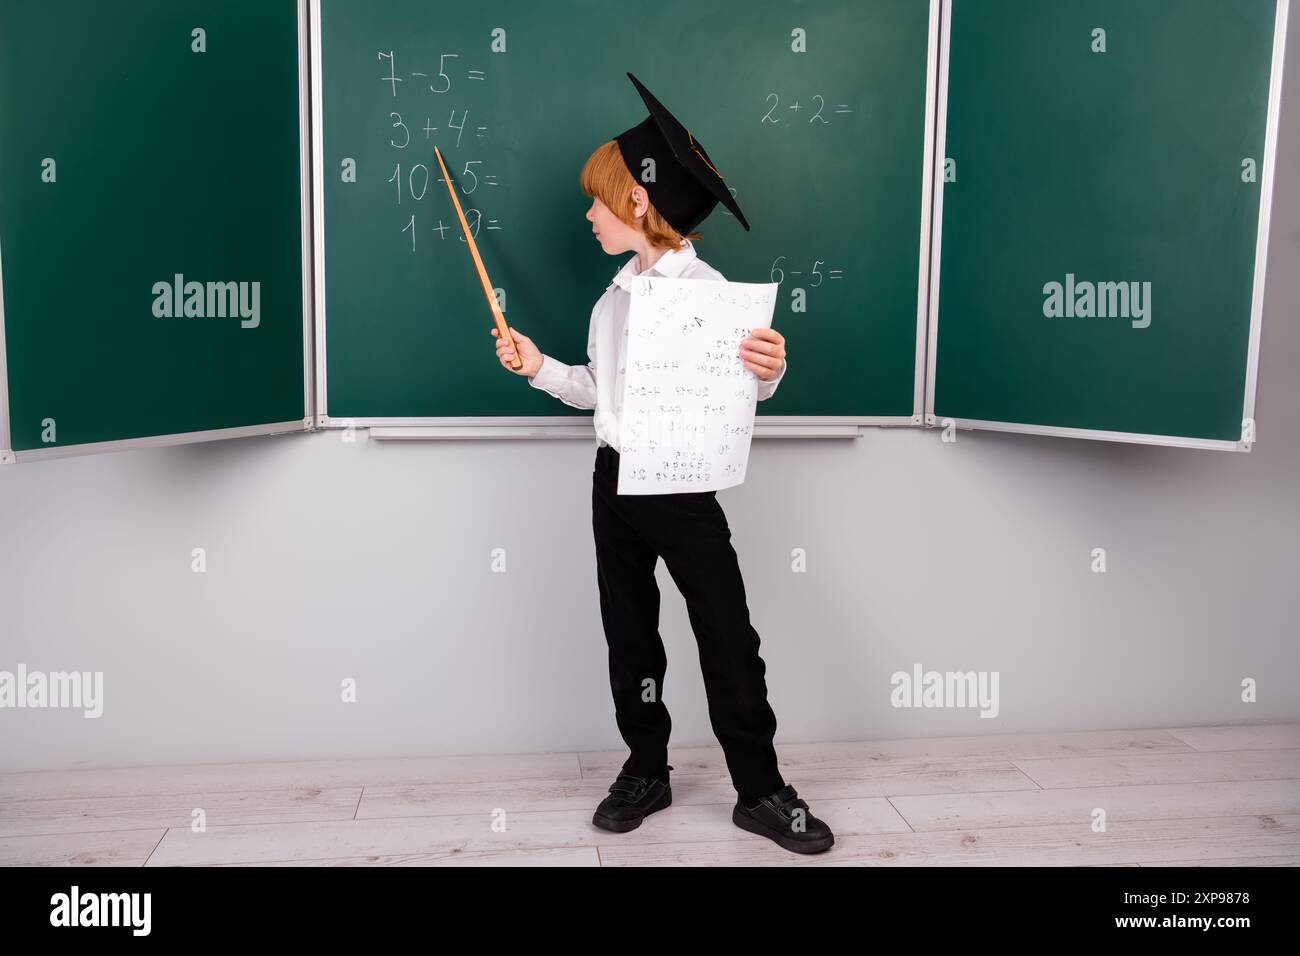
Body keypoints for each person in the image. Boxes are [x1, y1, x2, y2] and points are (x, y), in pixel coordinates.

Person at [490, 73, 833, 855]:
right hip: (613, 481)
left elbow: (751, 379)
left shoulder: (711, 293)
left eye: (600, 201)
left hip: (680, 484)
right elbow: (598, 394)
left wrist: (771, 364)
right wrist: (539, 366)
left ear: (640, 202)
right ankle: (647, 768)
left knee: (725, 633)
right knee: (629, 633)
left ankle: (761, 789)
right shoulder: (611, 299)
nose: (588, 214)